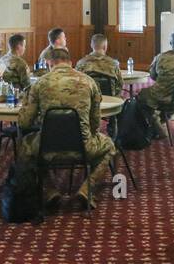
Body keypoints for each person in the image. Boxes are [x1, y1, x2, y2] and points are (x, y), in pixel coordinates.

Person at [18, 48, 117, 211]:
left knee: (24, 145)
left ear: (50, 63)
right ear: (71, 63)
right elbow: (95, 122)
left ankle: (49, 190)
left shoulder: (40, 83)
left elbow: (25, 123)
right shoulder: (89, 82)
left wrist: (24, 105)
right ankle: (87, 189)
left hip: (46, 148)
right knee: (110, 146)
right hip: (83, 147)